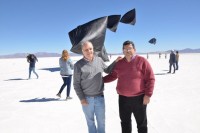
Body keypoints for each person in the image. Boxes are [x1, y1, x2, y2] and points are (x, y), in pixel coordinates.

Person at [103, 40, 155, 133]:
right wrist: (101, 80)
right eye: (125, 49)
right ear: (122, 50)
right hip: (123, 99)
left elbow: (150, 78)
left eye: (130, 48)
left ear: (134, 49)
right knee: (125, 123)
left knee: (141, 124)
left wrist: (148, 95)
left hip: (139, 98)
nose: (127, 51)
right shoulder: (119, 63)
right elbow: (113, 76)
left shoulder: (142, 61)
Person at [73, 41, 120, 133]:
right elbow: (76, 84)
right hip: (87, 99)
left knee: (101, 122)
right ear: (82, 51)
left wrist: (115, 62)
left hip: (99, 98)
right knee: (90, 122)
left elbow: (107, 70)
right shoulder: (78, 65)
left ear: (93, 49)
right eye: (86, 50)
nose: (89, 51)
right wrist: (82, 99)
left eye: (90, 49)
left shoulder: (99, 60)